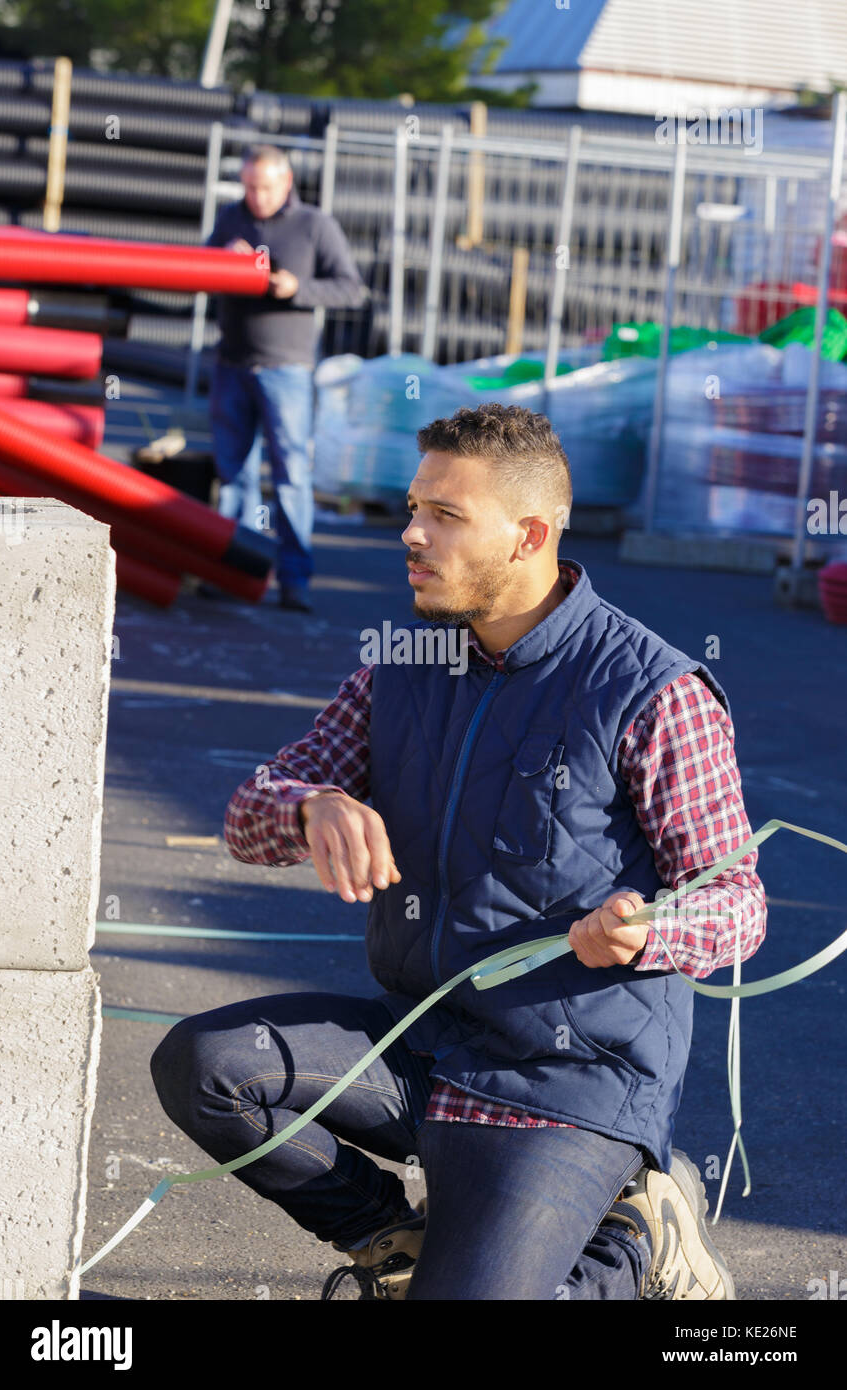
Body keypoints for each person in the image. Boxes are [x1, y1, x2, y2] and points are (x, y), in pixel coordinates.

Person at [150, 403, 767, 1301]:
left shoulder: (653, 689)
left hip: (570, 1081)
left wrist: (649, 933)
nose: (411, 534)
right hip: (427, 1039)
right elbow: (249, 812)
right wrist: (311, 805)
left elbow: (741, 904)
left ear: (527, 536)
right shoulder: (403, 663)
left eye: (445, 516)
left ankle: (635, 1246)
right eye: (414, 507)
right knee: (203, 1064)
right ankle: (390, 1242)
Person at [204, 144, 368, 612]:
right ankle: (236, 571)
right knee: (234, 476)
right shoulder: (231, 217)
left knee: (291, 474)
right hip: (233, 364)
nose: (256, 197)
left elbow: (352, 289)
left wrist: (298, 289)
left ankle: (294, 580)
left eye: (266, 188)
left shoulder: (316, 225)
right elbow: (199, 266)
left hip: (287, 370)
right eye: (249, 187)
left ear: (287, 182)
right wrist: (223, 258)